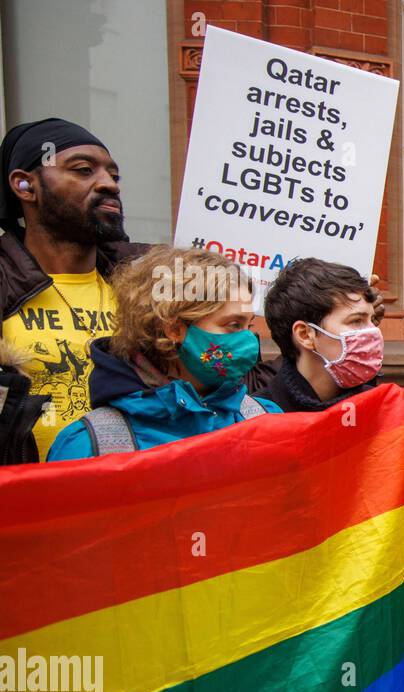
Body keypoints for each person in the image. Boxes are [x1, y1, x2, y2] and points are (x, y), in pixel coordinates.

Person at [0, 118, 150, 459]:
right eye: (84, 170)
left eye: (114, 175)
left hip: (129, 495)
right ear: (25, 186)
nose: (109, 184)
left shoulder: (149, 277)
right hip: (26, 501)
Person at [46, 246, 279, 460]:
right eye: (233, 325)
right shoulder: (88, 445)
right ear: (175, 328)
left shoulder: (268, 421)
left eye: (249, 326)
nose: (248, 341)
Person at [256, 258, 383, 412]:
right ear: (305, 335)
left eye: (371, 320)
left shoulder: (385, 411)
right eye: (356, 321)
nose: (373, 331)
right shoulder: (255, 417)